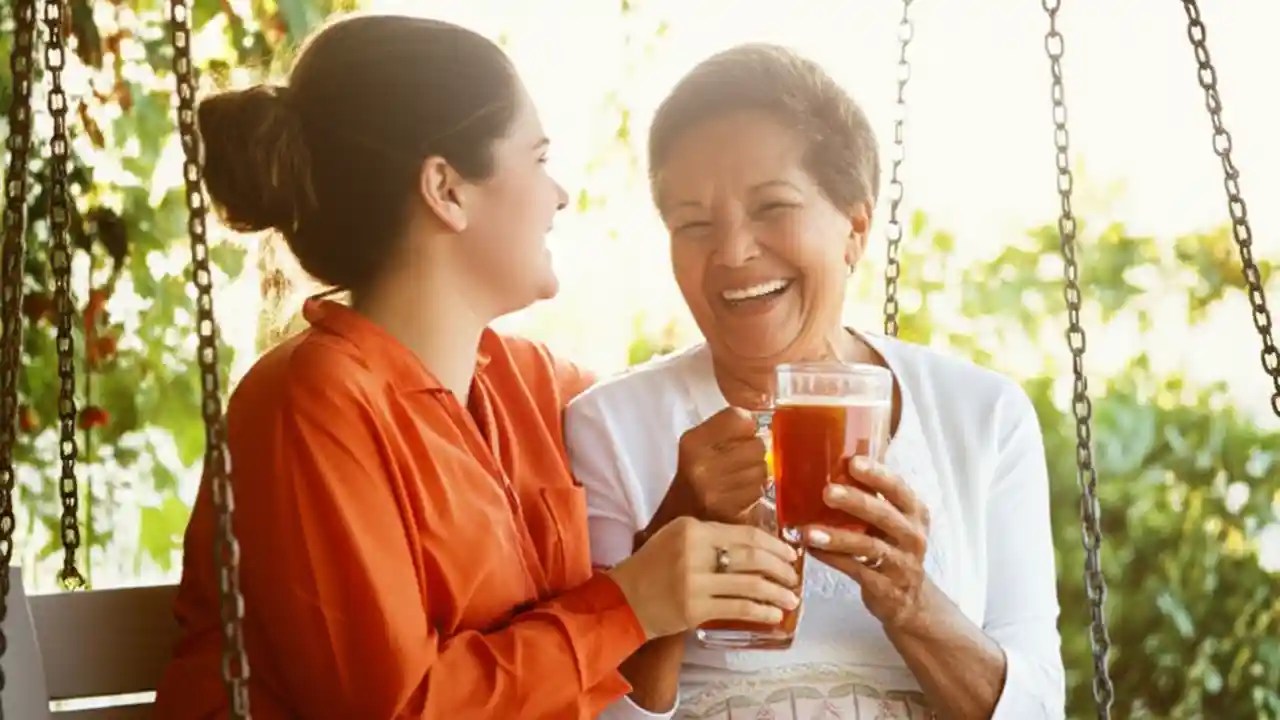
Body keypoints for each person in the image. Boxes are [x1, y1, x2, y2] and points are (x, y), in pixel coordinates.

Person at [154, 16, 802, 720]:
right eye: (538, 157)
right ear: (447, 190)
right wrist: (629, 605)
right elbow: (394, 710)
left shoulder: (532, 385)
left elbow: (666, 423)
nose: (561, 196)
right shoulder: (307, 405)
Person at [566, 44, 1066, 719]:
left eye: (772, 207)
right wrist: (674, 539)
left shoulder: (981, 415)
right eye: (693, 223)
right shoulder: (611, 424)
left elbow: (1040, 708)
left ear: (856, 227)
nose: (734, 252)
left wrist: (914, 604)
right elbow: (592, 713)